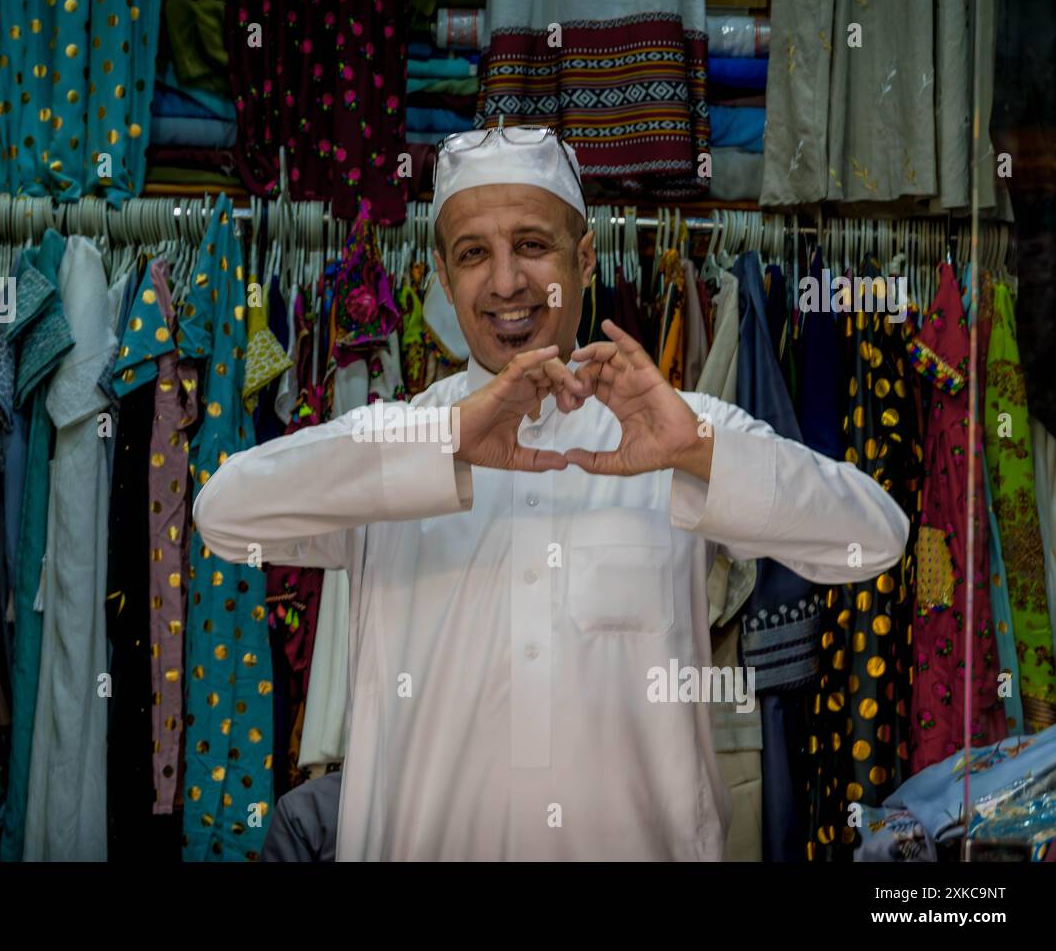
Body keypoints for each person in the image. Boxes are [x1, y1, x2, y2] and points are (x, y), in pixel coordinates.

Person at [194, 126, 910, 860]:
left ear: (586, 257)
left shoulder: (671, 426)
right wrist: (440, 441)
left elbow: (875, 538)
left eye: (533, 245)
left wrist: (694, 449)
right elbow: (222, 516)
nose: (506, 282)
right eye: (474, 254)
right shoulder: (398, 437)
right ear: (443, 278)